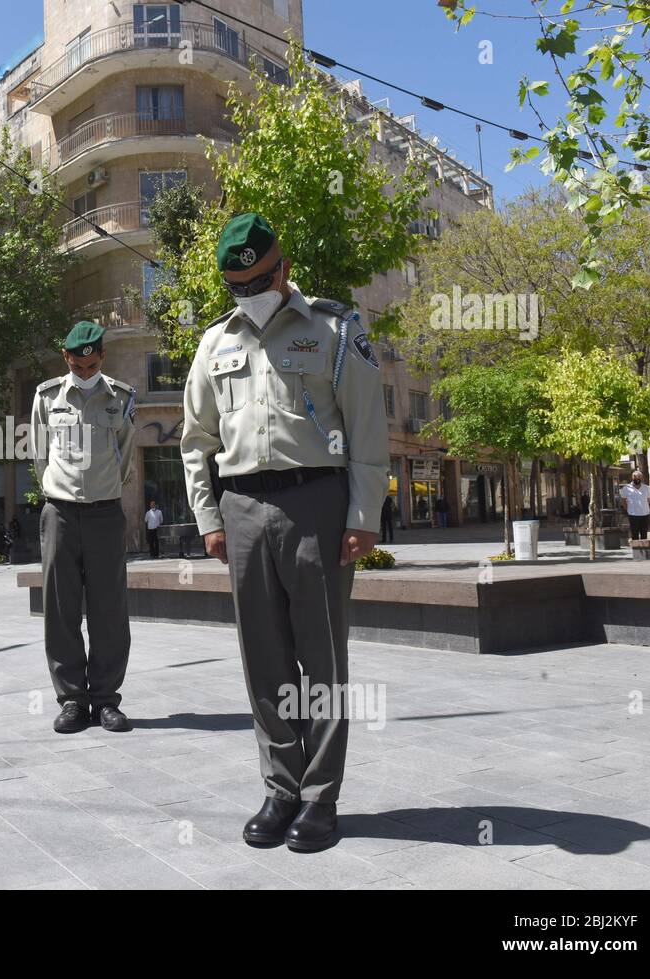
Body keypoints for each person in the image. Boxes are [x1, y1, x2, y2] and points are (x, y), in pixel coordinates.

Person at [181, 213, 387, 852]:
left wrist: (362, 516)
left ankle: (322, 798)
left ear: (283, 269)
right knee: (264, 658)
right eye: (236, 287)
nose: (249, 295)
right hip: (242, 506)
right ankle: (280, 788)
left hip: (315, 502)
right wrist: (209, 517)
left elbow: (367, 431)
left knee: (321, 657)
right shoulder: (215, 343)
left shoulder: (335, 327)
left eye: (258, 281)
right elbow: (196, 440)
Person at [31, 321, 137, 734]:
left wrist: (104, 489)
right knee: (60, 610)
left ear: (103, 358)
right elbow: (40, 454)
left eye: (93, 366)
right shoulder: (45, 396)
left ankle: (106, 700)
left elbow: (126, 457)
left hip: (105, 514)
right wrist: (56, 490)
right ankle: (72, 699)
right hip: (59, 512)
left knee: (110, 610)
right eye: (79, 366)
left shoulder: (123, 397)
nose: (87, 372)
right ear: (66, 358)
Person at [620, 470, 650, 541]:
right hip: (633, 514)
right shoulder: (626, 488)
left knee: (644, 534)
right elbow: (623, 502)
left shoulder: (647, 488)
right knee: (635, 534)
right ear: (632, 478)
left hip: (645, 514)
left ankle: (644, 550)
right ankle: (636, 550)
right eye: (635, 477)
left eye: (639, 478)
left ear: (641, 478)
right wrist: (628, 510)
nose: (637, 479)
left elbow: (648, 500)